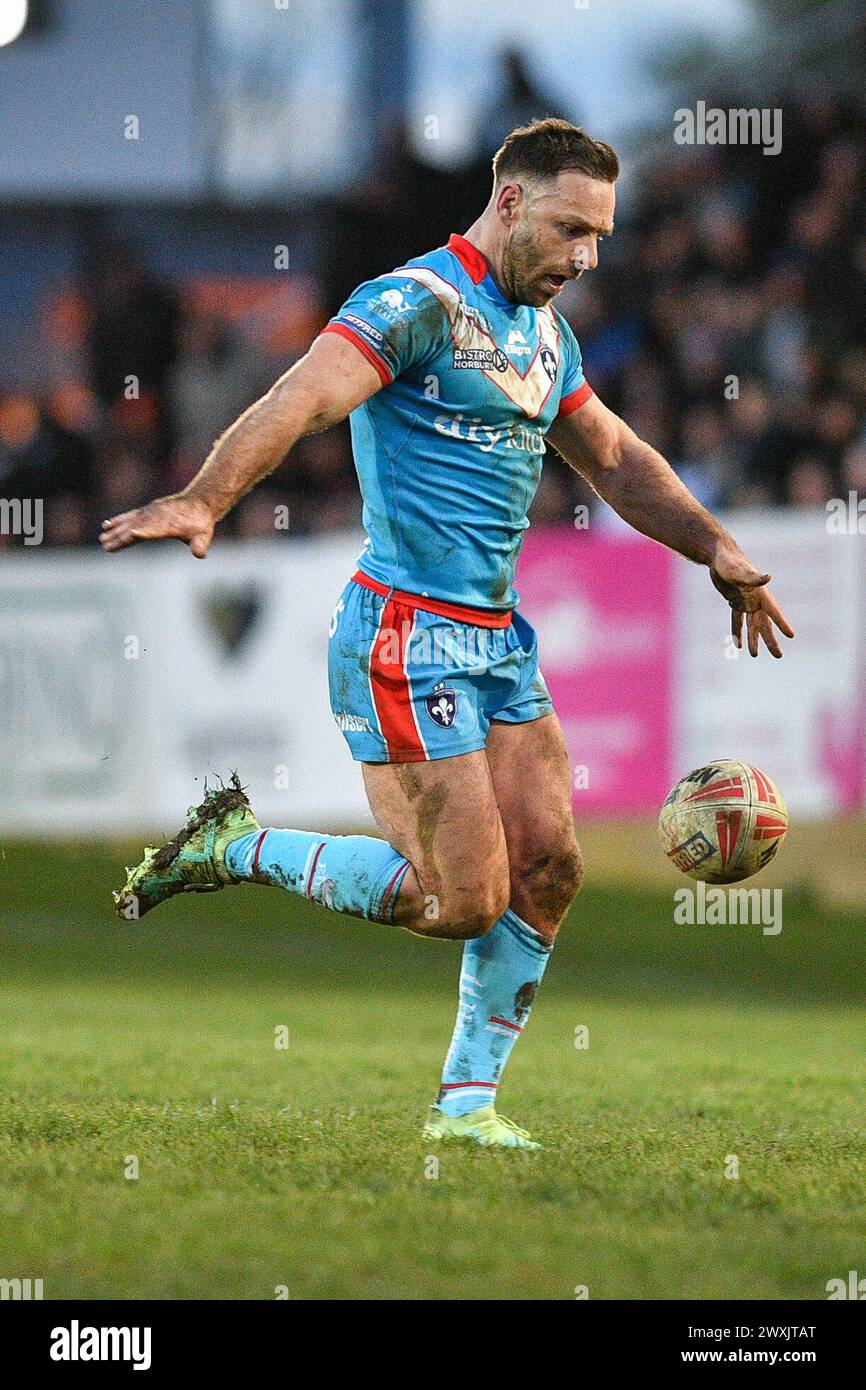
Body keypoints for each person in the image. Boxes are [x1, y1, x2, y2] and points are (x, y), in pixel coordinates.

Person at [101, 119, 793, 1149]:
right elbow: (301, 400)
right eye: (568, 229)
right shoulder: (413, 303)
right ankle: (235, 846)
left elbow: (613, 459)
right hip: (401, 634)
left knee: (551, 865)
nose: (585, 257)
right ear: (507, 202)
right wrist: (205, 497)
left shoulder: (544, 335)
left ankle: (464, 1110)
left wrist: (714, 546)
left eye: (598, 236)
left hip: (494, 638)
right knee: (462, 900)